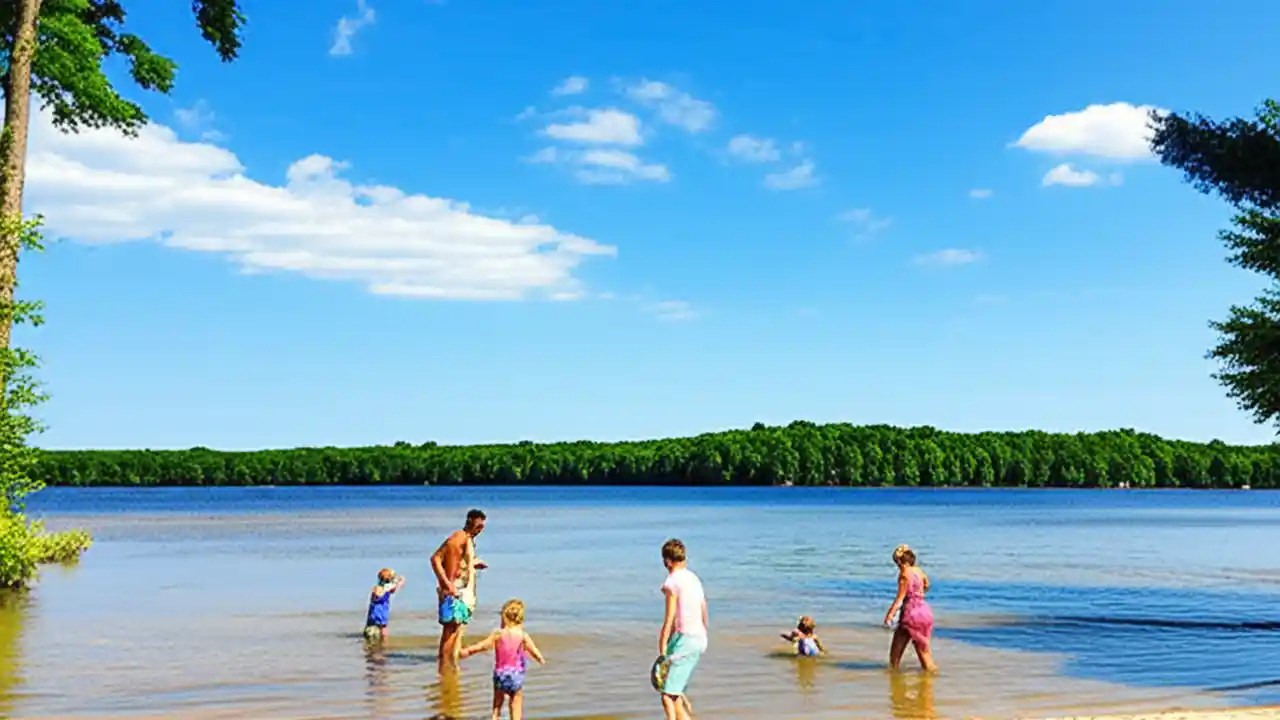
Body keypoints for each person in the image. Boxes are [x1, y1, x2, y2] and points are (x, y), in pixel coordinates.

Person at [459, 598, 546, 720]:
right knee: (516, 702)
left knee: (497, 704)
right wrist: (541, 659)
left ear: (504, 617)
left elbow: (483, 646)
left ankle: (495, 717)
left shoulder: (498, 634)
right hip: (516, 675)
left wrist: (468, 651)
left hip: (500, 674)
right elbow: (534, 651)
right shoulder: (522, 635)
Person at [656, 538, 707, 720]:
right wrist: (703, 634)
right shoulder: (693, 578)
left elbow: (669, 619)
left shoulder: (672, 582)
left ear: (668, 561)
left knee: (667, 696)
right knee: (676, 694)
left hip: (684, 638)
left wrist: (662, 648)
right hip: (699, 638)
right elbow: (703, 610)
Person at [431, 508, 488, 673]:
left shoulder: (467, 539)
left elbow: (457, 560)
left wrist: (473, 564)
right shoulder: (459, 537)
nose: (480, 530)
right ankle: (444, 669)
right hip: (454, 591)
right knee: (450, 631)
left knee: (455, 630)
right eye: (479, 526)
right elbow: (435, 559)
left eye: (482, 527)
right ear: (471, 522)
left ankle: (448, 669)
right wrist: (447, 584)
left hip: (461, 591)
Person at [882, 544, 937, 672]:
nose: (897, 566)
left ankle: (895, 684)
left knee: (894, 656)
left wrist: (889, 615)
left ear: (901, 561)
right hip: (925, 612)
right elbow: (927, 586)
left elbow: (900, 598)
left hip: (910, 614)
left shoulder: (904, 575)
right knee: (924, 651)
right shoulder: (919, 571)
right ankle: (930, 684)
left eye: (897, 562)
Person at [364, 568, 406, 642]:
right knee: (371, 629)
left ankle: (384, 642)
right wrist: (391, 586)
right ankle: (374, 640)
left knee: (383, 628)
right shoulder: (378, 588)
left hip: (382, 612)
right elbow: (378, 594)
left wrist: (400, 582)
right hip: (376, 612)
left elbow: (394, 589)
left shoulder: (387, 588)